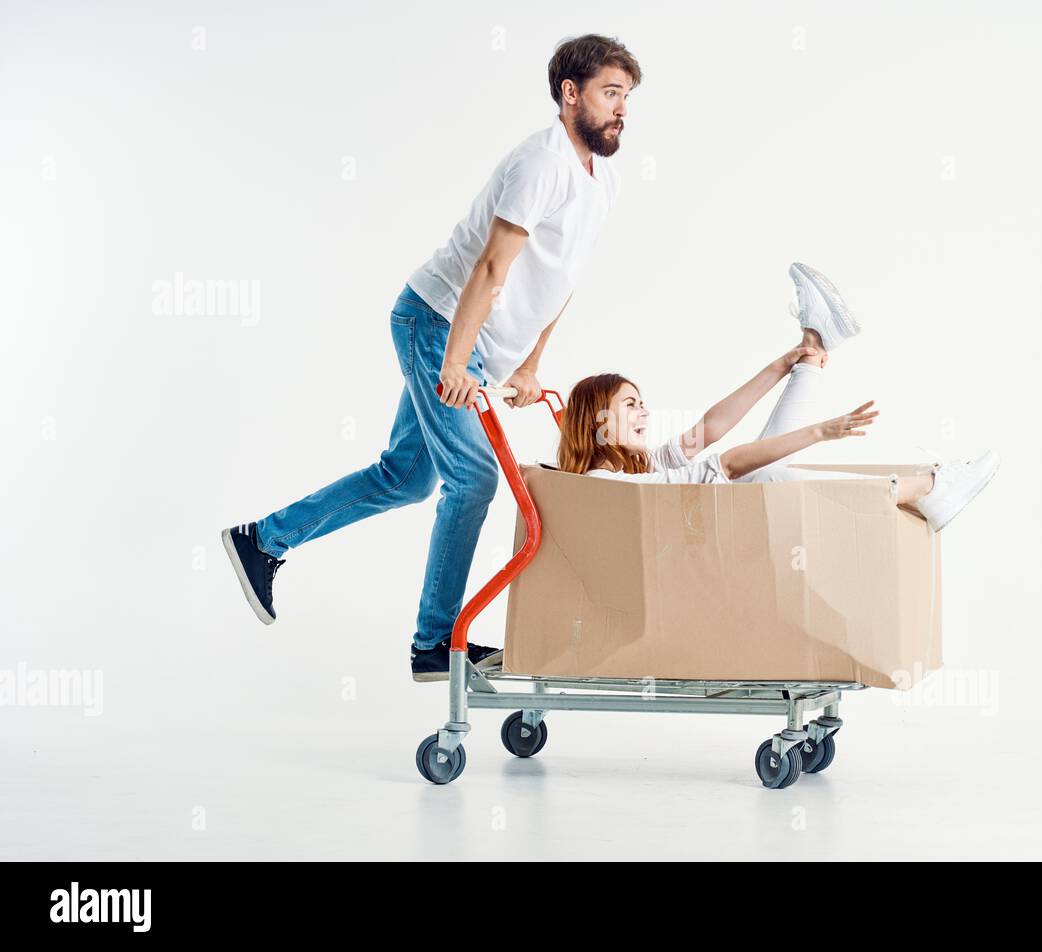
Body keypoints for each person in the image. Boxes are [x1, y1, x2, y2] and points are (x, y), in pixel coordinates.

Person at [222, 35, 642, 682]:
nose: (621, 109)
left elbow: (563, 278)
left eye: (626, 98)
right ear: (570, 94)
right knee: (472, 481)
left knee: (405, 477)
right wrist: (455, 362)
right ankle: (435, 643)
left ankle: (262, 541)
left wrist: (530, 364)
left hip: (472, 345)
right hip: (437, 322)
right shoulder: (542, 164)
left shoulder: (601, 178)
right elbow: (492, 265)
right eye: (611, 93)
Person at [556, 263, 1000, 531]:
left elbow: (706, 433)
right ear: (595, 422)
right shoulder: (602, 487)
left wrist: (780, 365)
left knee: (767, 478)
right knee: (769, 483)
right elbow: (726, 465)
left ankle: (814, 346)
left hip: (715, 533)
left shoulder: (643, 467)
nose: (645, 412)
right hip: (703, 549)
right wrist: (819, 432)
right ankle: (926, 487)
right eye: (630, 404)